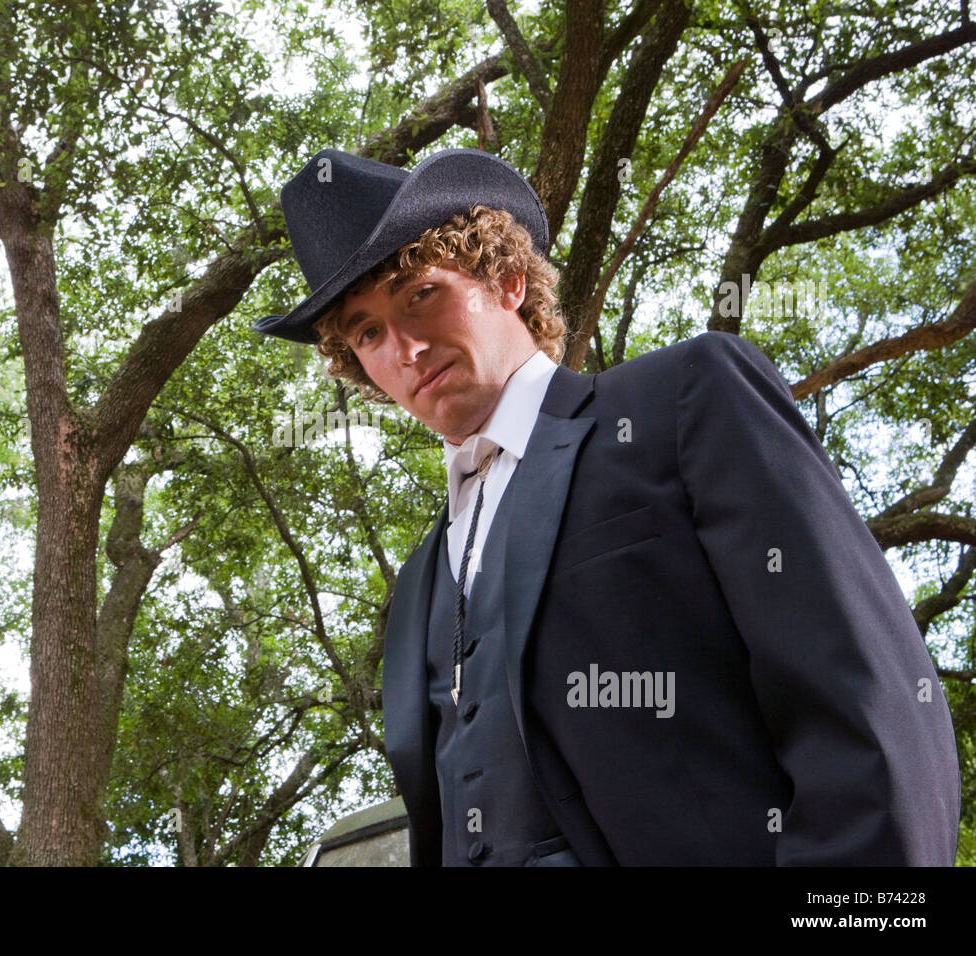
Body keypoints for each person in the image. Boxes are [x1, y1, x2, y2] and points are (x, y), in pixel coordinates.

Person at [253, 146, 962, 866]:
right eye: (367, 331)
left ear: (506, 280)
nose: (402, 346)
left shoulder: (684, 397)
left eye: (419, 293)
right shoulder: (418, 583)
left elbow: (868, 705)